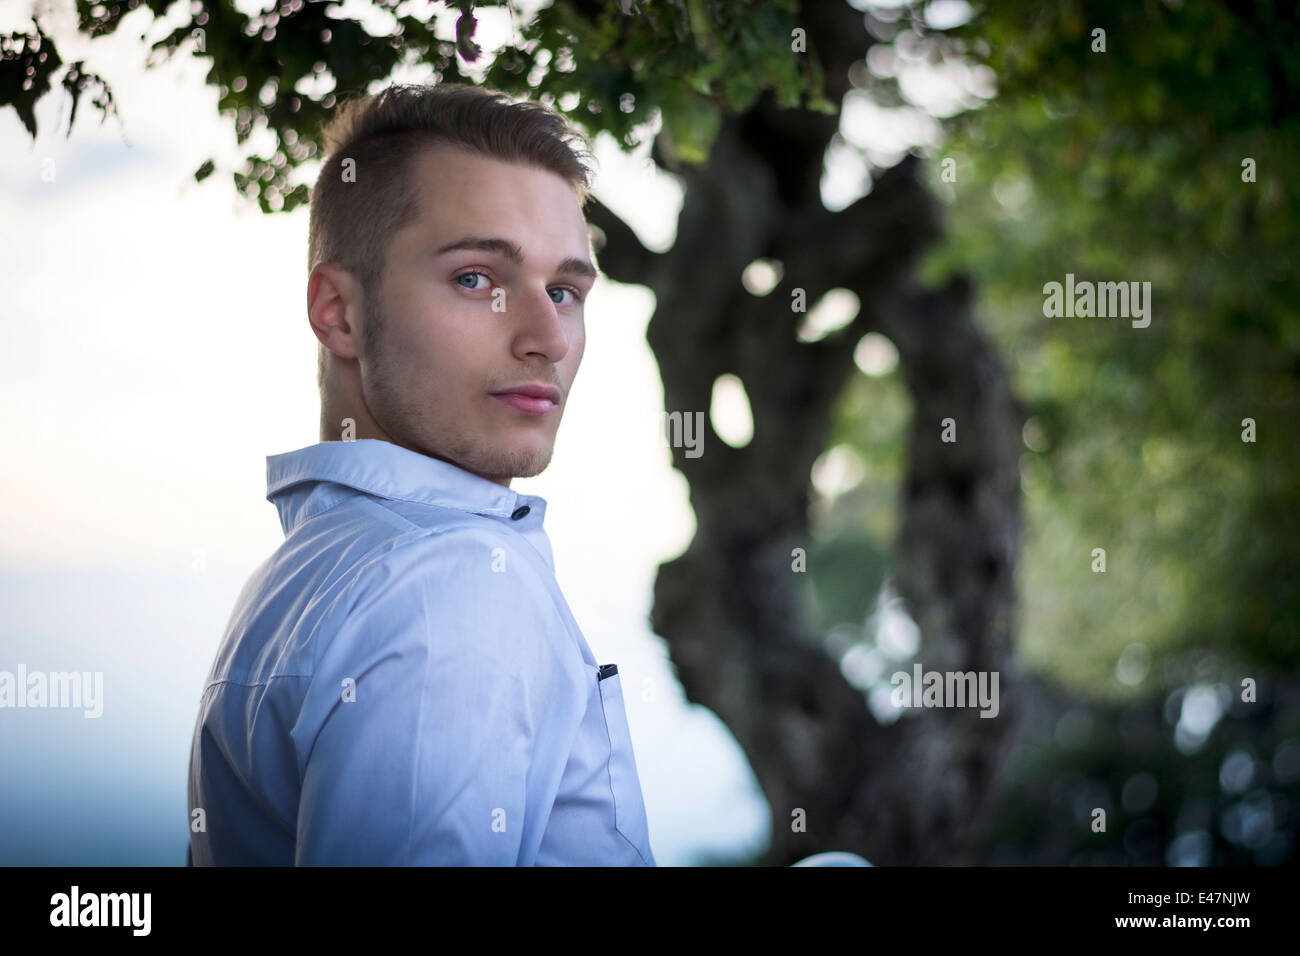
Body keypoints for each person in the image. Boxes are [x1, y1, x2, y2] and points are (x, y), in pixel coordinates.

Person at [186, 82, 655, 866]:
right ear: (337, 311)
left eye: (566, 290)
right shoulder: (454, 582)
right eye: (477, 278)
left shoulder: (310, 565)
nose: (549, 337)